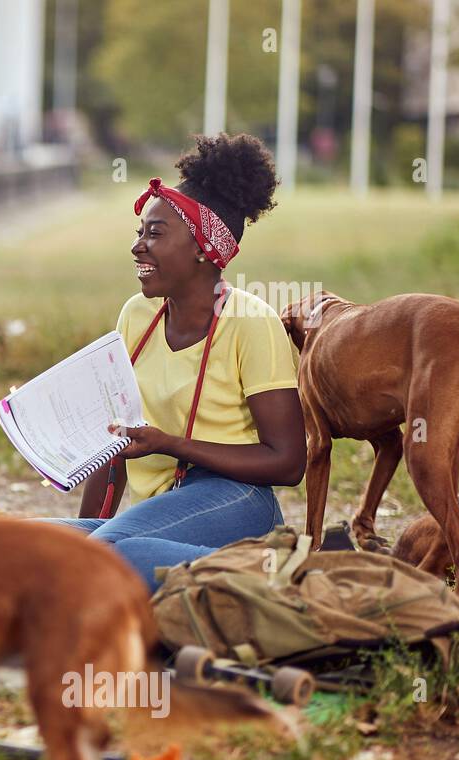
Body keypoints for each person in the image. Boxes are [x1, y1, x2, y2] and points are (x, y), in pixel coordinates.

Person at [48, 133, 306, 592]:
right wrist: (90, 529)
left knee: (109, 559)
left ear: (203, 248)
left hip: (236, 497)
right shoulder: (137, 314)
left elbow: (287, 463)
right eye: (139, 232)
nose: (138, 246)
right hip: (161, 512)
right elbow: (115, 444)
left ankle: (280, 577)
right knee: (15, 543)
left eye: (155, 233)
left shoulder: (251, 322)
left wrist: (170, 444)